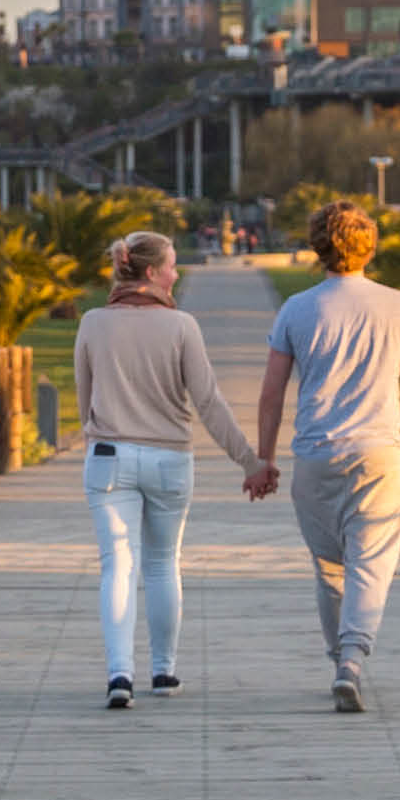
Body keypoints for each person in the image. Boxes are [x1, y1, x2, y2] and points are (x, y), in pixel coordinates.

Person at [245, 200, 400, 713]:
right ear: (370, 247)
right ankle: (352, 660)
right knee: (371, 562)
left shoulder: (297, 310)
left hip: (317, 457)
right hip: (381, 454)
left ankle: (338, 660)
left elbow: (271, 394)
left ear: (316, 247)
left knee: (330, 566)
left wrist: (264, 459)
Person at [71, 230, 261, 709]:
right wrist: (249, 460)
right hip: (170, 461)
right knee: (161, 564)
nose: (176, 274)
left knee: (117, 565)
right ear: (152, 272)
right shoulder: (181, 327)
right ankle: (164, 670)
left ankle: (119, 676)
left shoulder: (92, 323)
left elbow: (84, 402)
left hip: (109, 457)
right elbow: (208, 403)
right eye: (172, 266)